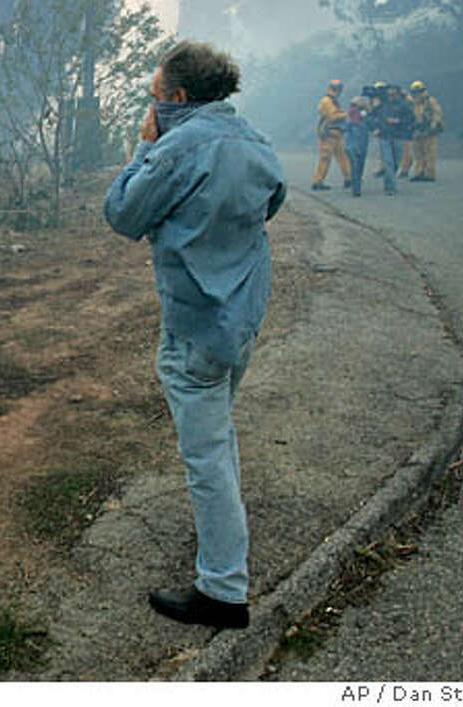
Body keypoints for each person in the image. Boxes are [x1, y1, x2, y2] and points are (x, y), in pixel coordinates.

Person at [104, 41, 287, 630]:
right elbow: (272, 203)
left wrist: (145, 144)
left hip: (195, 327)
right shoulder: (255, 142)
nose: (152, 104)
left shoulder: (177, 145)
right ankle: (220, 535)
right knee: (218, 436)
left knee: (205, 453)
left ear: (177, 98)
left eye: (154, 95)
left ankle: (223, 590)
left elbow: (123, 214)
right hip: (242, 318)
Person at [369, 84, 415, 195]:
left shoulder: (404, 106)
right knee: (388, 161)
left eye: (393, 94)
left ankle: (390, 179)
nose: (391, 96)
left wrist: (399, 121)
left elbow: (411, 119)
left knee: (396, 162)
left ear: (398, 94)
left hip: (399, 136)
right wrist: (375, 128)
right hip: (384, 136)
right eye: (389, 94)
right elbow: (370, 117)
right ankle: (390, 187)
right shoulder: (382, 105)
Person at [311, 79, 352, 191]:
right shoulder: (326, 101)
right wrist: (345, 114)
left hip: (336, 133)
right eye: (336, 89)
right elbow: (332, 116)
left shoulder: (332, 101)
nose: (337, 91)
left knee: (343, 157)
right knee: (325, 158)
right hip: (329, 134)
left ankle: (349, 179)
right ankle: (317, 181)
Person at [404, 80, 444, 182]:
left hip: (430, 131)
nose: (417, 94)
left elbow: (437, 113)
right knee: (417, 153)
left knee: (430, 153)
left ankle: (430, 174)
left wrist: (434, 124)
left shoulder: (430, 101)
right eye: (414, 92)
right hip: (417, 131)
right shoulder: (412, 103)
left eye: (418, 92)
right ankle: (419, 172)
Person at [344, 95, 371, 197]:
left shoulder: (362, 115)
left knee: (357, 167)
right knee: (356, 166)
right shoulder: (354, 115)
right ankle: (356, 189)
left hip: (358, 144)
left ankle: (356, 187)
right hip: (355, 145)